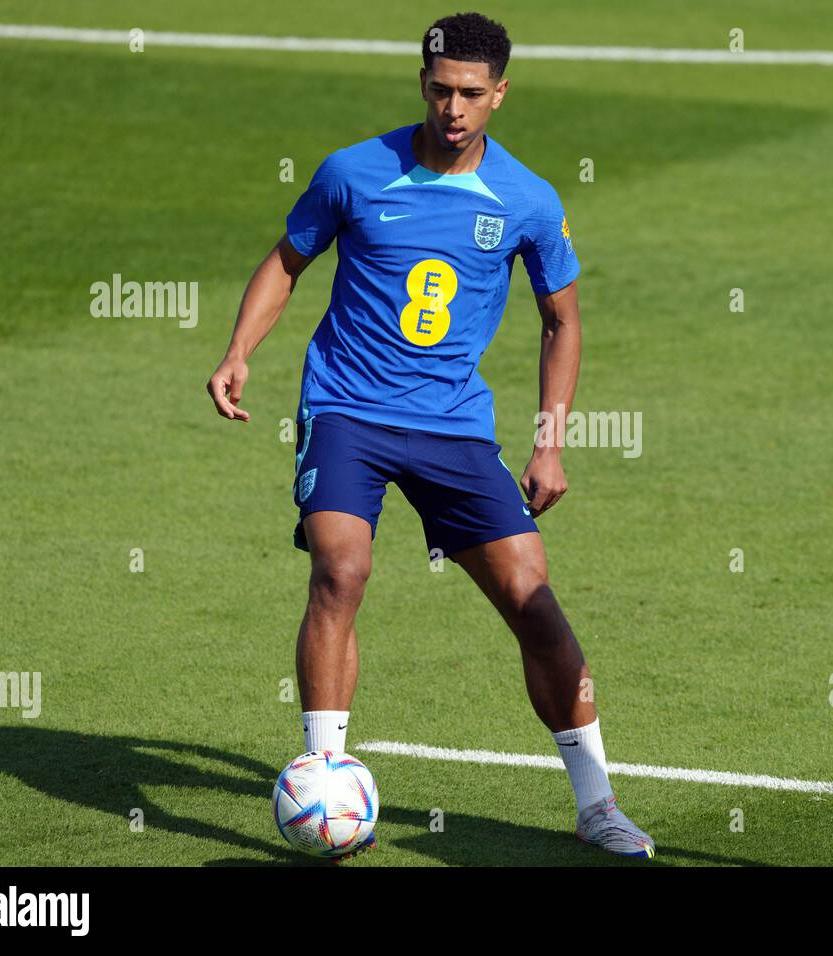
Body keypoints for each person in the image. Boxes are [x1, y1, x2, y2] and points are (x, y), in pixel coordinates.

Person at [206, 11, 653, 860]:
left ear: (501, 95)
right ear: (423, 84)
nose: (455, 109)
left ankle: (597, 804)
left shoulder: (527, 198)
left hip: (453, 427)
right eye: (442, 90)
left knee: (534, 601)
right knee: (341, 566)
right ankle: (327, 772)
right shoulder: (353, 172)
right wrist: (237, 352)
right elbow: (287, 260)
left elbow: (563, 321)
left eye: (473, 95)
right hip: (347, 410)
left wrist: (550, 440)